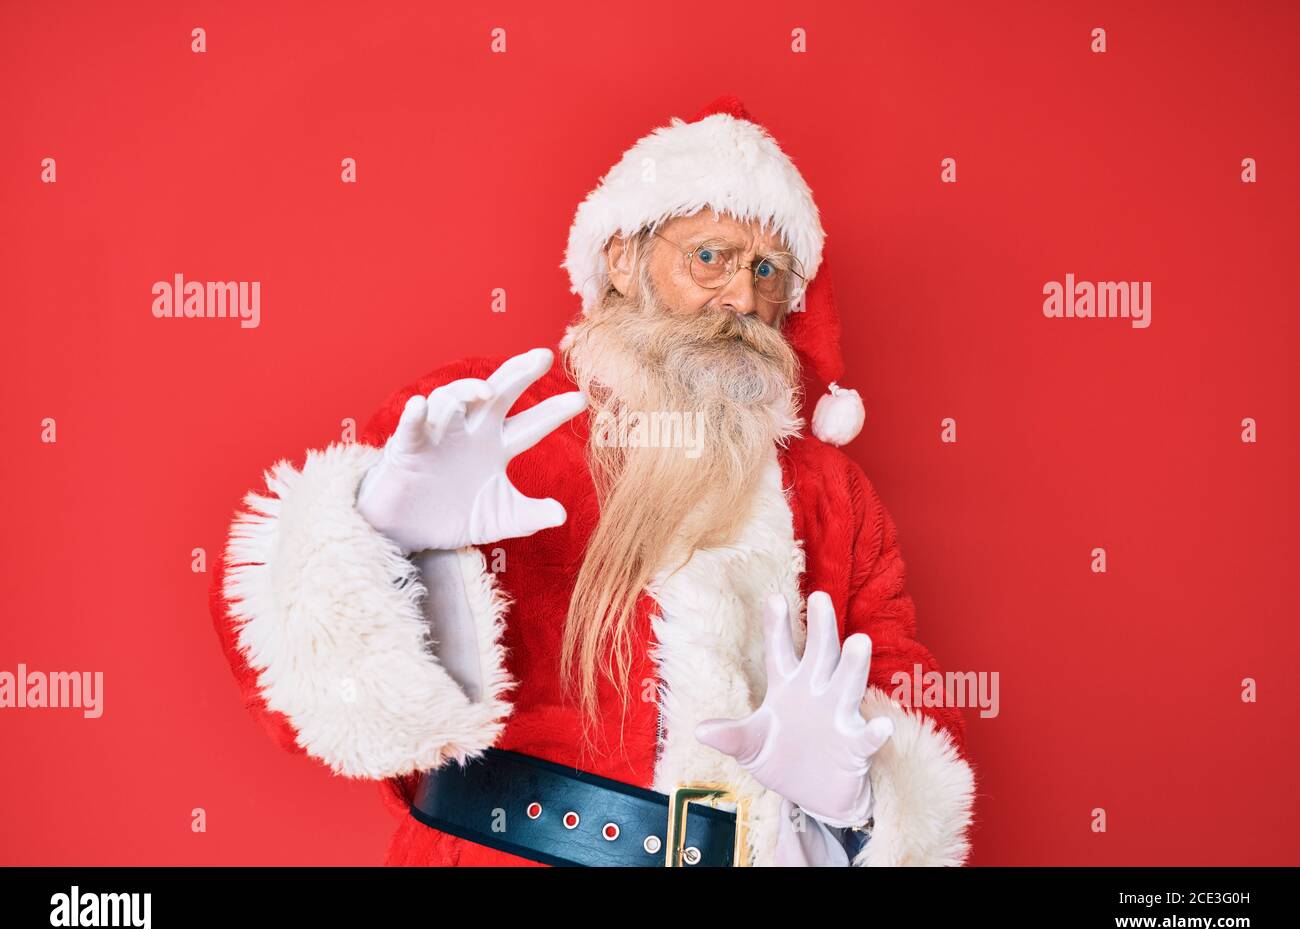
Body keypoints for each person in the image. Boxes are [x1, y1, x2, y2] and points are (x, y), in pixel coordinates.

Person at [209, 95, 976, 867]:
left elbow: (912, 705)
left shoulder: (832, 495)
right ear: (620, 258)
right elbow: (285, 689)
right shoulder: (488, 417)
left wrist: (858, 796)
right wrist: (377, 539)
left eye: (767, 272)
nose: (741, 299)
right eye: (709, 257)